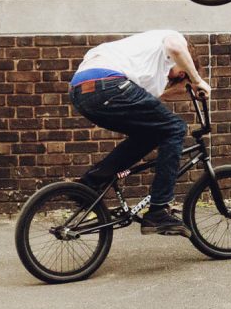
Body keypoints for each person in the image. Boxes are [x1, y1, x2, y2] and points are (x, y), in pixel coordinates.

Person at [70, 30, 212, 237]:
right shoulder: (173, 39)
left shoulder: (145, 66)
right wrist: (197, 79)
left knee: (151, 132)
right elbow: (175, 47)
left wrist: (188, 86)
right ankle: (159, 210)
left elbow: (155, 99)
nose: (182, 75)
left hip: (81, 92)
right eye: (184, 72)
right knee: (176, 128)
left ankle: (91, 183)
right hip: (107, 83)